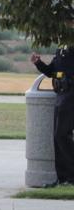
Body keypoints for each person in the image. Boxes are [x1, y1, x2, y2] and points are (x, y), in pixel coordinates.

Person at [32, 41, 74, 185]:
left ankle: (71, 177)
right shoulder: (62, 48)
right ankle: (62, 178)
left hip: (71, 95)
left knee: (63, 135)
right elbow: (52, 72)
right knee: (57, 136)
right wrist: (39, 63)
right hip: (61, 94)